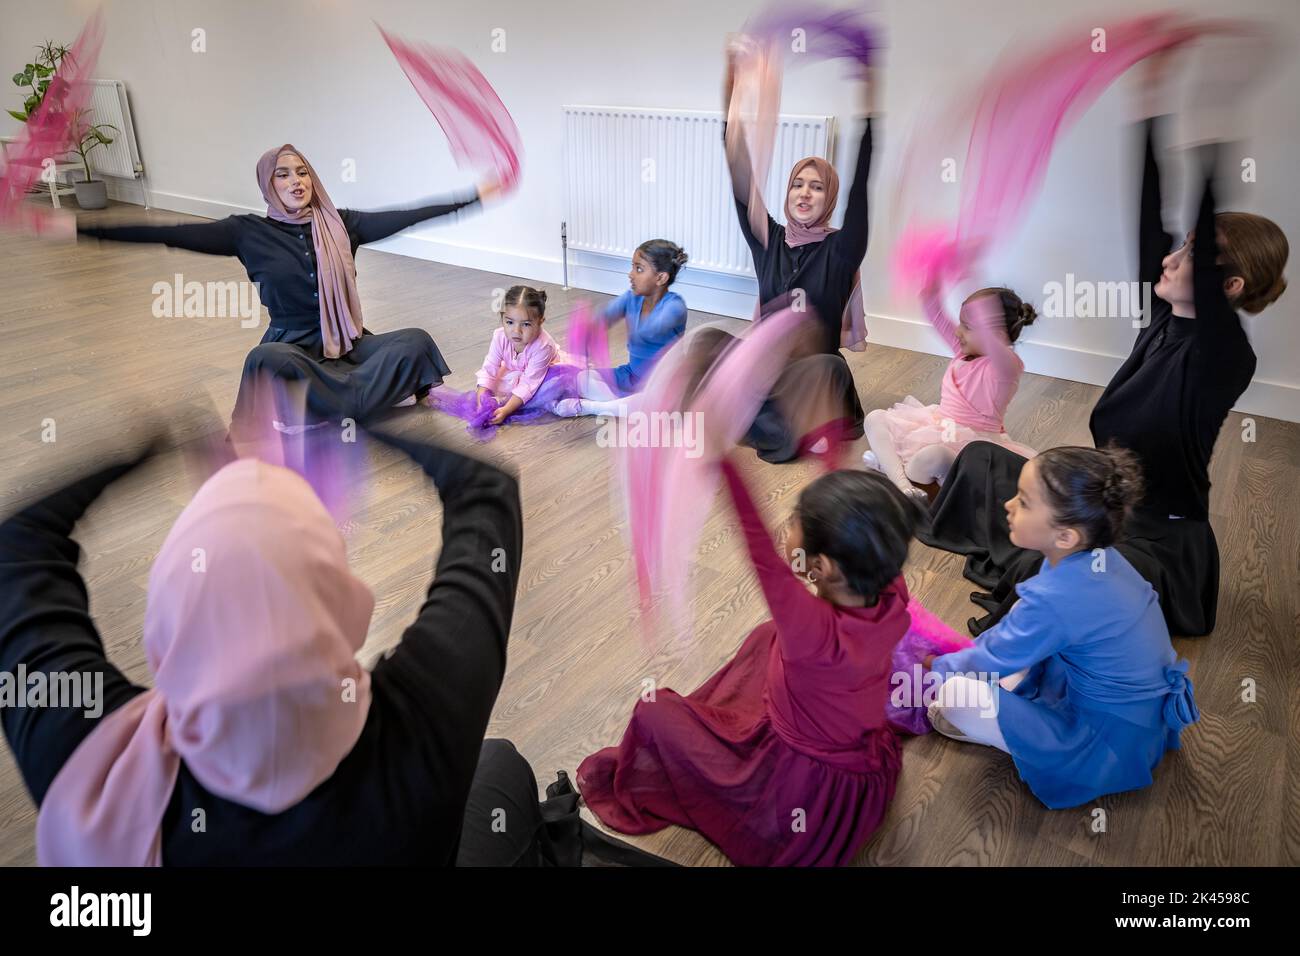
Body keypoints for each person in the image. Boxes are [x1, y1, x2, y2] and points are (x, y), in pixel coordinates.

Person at [0, 423, 555, 865]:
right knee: (500, 762)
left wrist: (140, 449)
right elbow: (487, 491)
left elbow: (16, 551)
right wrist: (361, 426)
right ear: (342, 599)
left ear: (165, 627)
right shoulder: (431, 713)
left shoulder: (82, 757)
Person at [919, 56, 1288, 636]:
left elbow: (1195, 227)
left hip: (1156, 541)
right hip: (1100, 506)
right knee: (980, 458)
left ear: (1230, 287)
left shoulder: (1224, 357)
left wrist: (1215, 125)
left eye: (1193, 254)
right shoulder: (1165, 315)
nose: (1170, 259)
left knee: (1078, 575)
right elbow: (1151, 223)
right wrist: (1150, 105)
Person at [578, 461, 925, 866]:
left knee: (653, 711)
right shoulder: (889, 594)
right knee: (766, 637)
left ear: (823, 566)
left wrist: (723, 463)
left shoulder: (811, 632)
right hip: (858, 780)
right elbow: (871, 526)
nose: (787, 525)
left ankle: (733, 760)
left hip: (799, 788)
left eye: (795, 520)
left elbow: (760, 551)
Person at [75, 145, 502, 437]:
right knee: (267, 360)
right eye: (283, 175)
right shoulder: (247, 232)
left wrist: (471, 199)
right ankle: (362, 400)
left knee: (415, 341)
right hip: (292, 345)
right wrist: (86, 229)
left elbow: (408, 216)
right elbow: (170, 234)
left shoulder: (340, 224)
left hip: (349, 342)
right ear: (268, 184)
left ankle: (322, 408)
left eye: (302, 172)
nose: (296, 181)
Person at [926, 446, 1199, 809]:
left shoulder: (1060, 596)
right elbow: (1014, 635)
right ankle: (1014, 717)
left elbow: (995, 655)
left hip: (1104, 741)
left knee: (953, 697)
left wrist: (939, 668)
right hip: (1138, 721)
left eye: (1023, 502)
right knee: (1015, 646)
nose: (1007, 505)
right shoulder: (1100, 559)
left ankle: (1022, 742)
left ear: (1066, 536)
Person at [863, 283, 1037, 499]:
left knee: (934, 456)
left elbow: (999, 349)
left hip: (974, 443)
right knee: (874, 418)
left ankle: (891, 466)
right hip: (938, 425)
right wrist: (932, 285)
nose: (957, 331)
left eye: (967, 326)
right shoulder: (962, 353)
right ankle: (901, 483)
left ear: (996, 335)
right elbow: (936, 315)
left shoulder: (1005, 369)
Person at [554, 240, 690, 418]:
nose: (630, 274)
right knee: (582, 379)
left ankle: (591, 407)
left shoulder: (675, 306)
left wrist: (624, 330)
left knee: (654, 402)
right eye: (632, 267)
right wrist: (588, 328)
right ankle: (620, 406)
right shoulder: (631, 298)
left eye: (639, 269)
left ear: (661, 278)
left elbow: (652, 329)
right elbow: (604, 318)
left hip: (663, 384)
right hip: (632, 375)